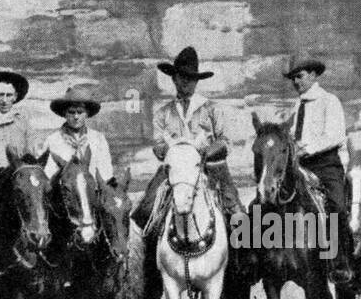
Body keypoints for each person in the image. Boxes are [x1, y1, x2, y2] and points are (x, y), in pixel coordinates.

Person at [133, 46, 242, 231]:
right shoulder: (163, 113)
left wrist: (206, 151)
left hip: (209, 167)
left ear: (196, 81)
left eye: (190, 78)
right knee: (145, 210)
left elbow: (225, 141)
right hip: (174, 168)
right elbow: (158, 145)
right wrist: (172, 150)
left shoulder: (212, 109)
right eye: (181, 76)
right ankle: (148, 255)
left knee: (237, 215)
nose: (185, 82)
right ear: (174, 78)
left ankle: (240, 258)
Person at [284, 54, 352, 284]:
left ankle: (339, 259)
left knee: (337, 205)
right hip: (300, 165)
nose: (295, 82)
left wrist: (307, 148)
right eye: (293, 78)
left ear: (313, 75)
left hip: (325, 164)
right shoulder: (296, 105)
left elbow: (335, 135)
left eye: (299, 76)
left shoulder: (329, 101)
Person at [41, 86, 115, 186]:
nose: (76, 117)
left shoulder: (98, 139)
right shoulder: (53, 140)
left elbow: (106, 172)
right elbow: (48, 174)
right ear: (64, 114)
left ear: (87, 114)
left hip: (94, 193)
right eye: (71, 112)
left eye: (80, 112)